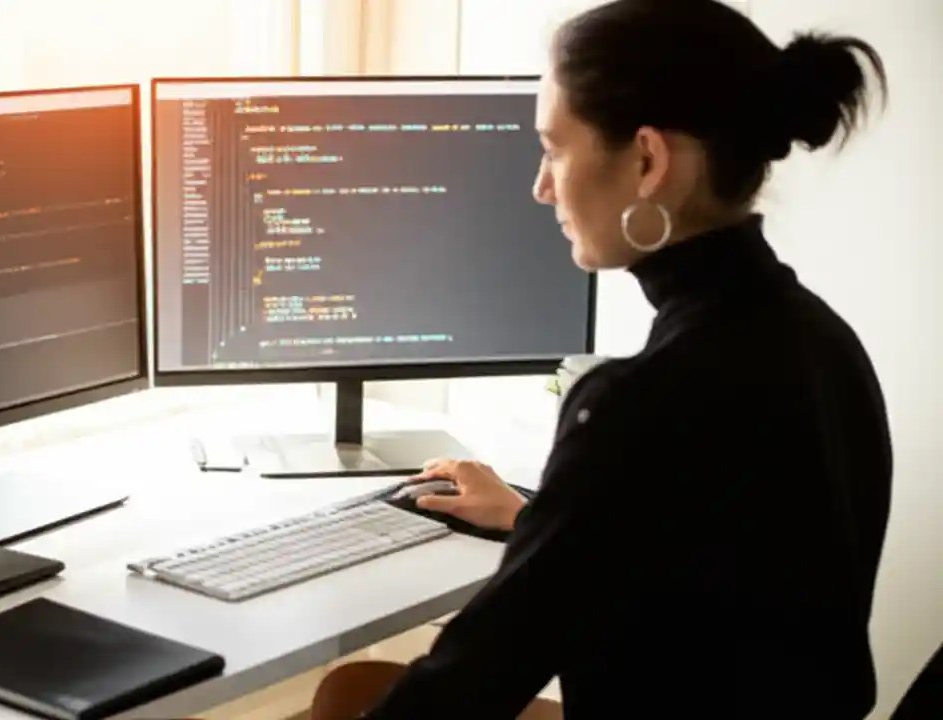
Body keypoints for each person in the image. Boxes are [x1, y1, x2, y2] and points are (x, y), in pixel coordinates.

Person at [312, 1, 893, 718]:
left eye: (554, 149)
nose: (542, 186)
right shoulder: (822, 340)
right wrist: (540, 519)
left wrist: (564, 518)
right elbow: (720, 559)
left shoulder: (641, 402)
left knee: (352, 698)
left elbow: (474, 678)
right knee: (351, 689)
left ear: (647, 161)